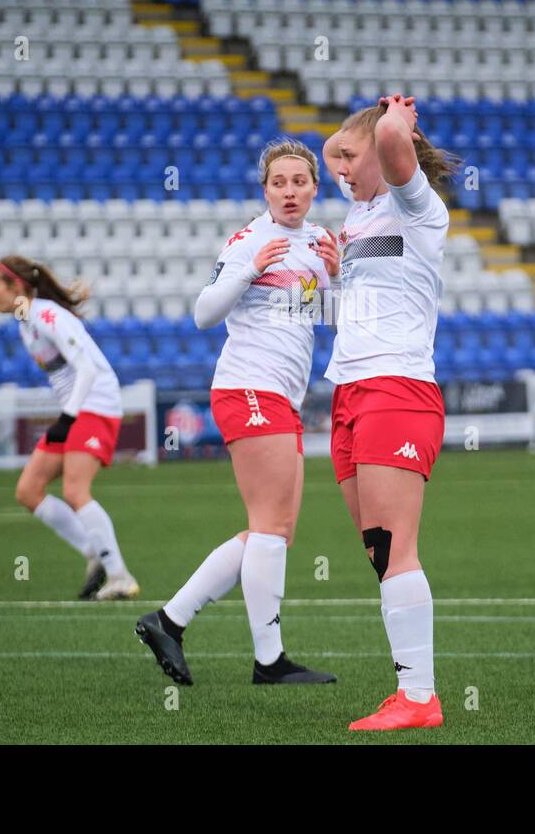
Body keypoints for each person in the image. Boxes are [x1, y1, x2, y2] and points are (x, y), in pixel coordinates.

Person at [136, 138, 341, 686]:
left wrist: (339, 276)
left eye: (300, 181)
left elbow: (330, 318)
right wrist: (247, 269)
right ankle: (268, 660)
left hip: (280, 397)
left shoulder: (321, 242)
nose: (290, 191)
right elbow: (204, 313)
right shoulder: (252, 238)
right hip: (249, 389)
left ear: (315, 187)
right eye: (279, 182)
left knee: (272, 532)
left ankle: (169, 620)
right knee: (270, 527)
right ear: (265, 189)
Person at [321, 95, 458, 730]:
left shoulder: (416, 204)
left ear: (380, 148)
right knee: (379, 550)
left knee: (396, 547)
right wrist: (333, 279)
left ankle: (420, 698)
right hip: (351, 393)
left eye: (350, 154)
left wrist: (392, 117)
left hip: (396, 390)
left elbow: (397, 145)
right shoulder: (359, 219)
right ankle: (411, 691)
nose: (337, 167)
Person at [0, 255, 139, 601]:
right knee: (29, 489)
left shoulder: (45, 315)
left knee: (75, 491)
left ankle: (120, 577)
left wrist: (67, 418)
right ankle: (95, 553)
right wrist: (68, 415)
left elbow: (85, 369)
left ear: (18, 287)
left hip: (94, 403)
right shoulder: (26, 322)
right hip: (76, 408)